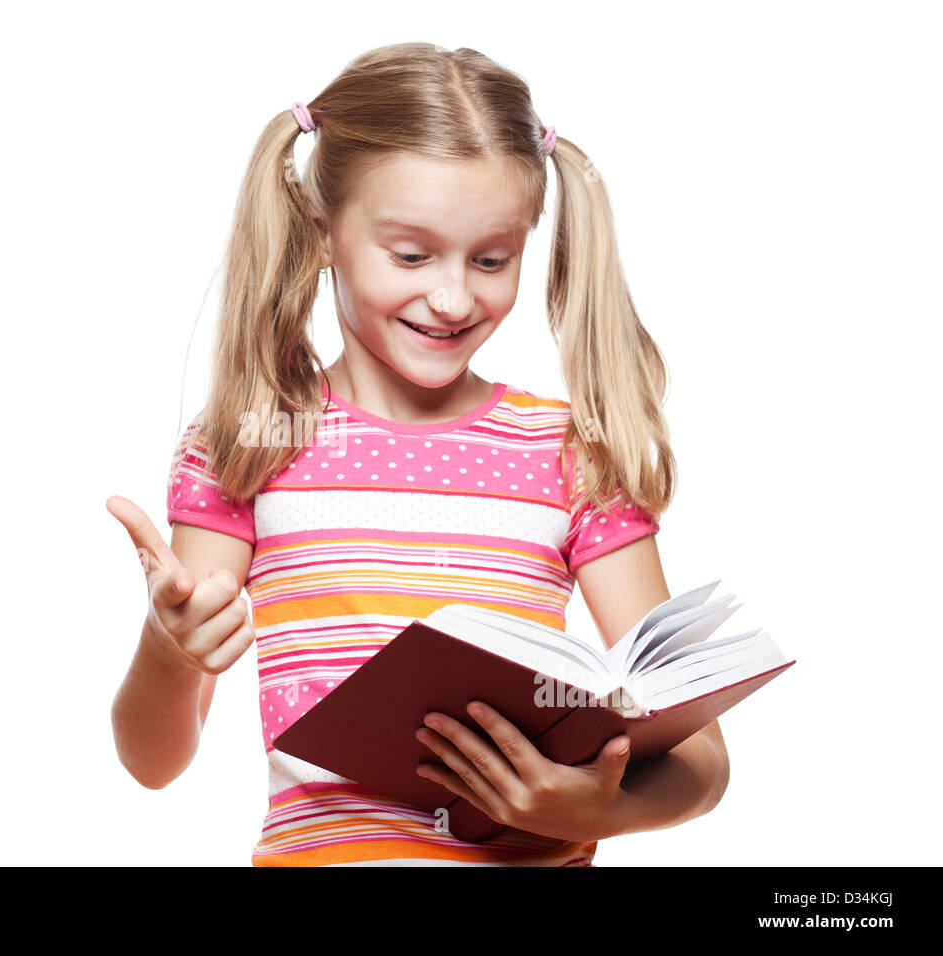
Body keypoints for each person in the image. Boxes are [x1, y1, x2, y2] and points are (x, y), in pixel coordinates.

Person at [107, 42, 729, 866]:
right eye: (410, 255)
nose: (452, 296)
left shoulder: (570, 454)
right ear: (322, 233)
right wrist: (168, 651)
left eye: (491, 259)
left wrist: (604, 807)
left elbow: (704, 761)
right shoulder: (250, 442)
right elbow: (155, 762)